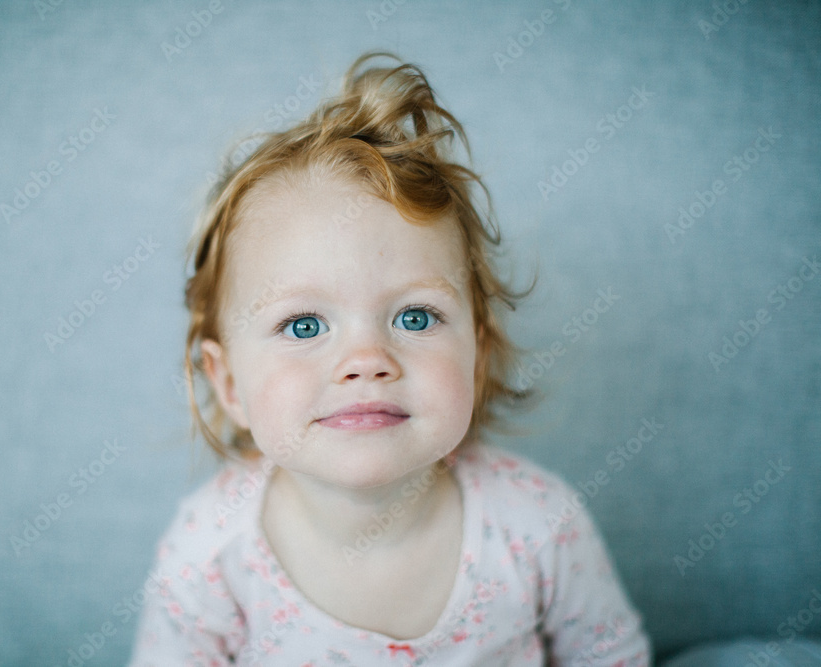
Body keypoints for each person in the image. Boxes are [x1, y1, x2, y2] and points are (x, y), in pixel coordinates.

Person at [128, 52, 651, 666]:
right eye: (303, 324)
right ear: (229, 384)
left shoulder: (536, 525)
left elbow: (610, 656)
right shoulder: (210, 551)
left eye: (415, 317)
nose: (366, 360)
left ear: (477, 358)